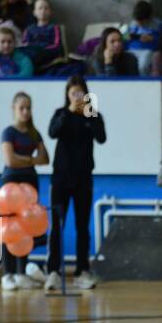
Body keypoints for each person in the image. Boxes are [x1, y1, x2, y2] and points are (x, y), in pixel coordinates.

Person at [47, 77, 107, 293]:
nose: (77, 98)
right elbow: (52, 132)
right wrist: (69, 112)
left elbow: (102, 138)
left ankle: (82, 270)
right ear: (67, 95)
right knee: (57, 226)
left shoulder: (93, 115)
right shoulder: (60, 113)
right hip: (61, 178)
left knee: (83, 227)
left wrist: (90, 115)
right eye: (73, 94)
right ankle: (53, 271)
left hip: (83, 179)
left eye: (80, 94)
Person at [0, 92, 49, 291]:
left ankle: (21, 272)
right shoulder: (8, 132)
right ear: (14, 109)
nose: (25, 112)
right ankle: (7, 274)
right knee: (9, 227)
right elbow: (10, 160)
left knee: (27, 226)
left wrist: (24, 159)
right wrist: (30, 159)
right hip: (10, 182)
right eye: (21, 108)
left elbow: (45, 159)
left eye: (28, 108)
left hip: (30, 182)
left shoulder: (35, 133)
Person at [126, 0, 162, 74]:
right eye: (137, 20)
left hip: (147, 50)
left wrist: (152, 39)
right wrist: (131, 37)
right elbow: (124, 38)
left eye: (141, 21)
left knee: (143, 66)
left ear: (148, 18)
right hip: (131, 50)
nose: (138, 23)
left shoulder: (157, 25)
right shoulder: (132, 24)